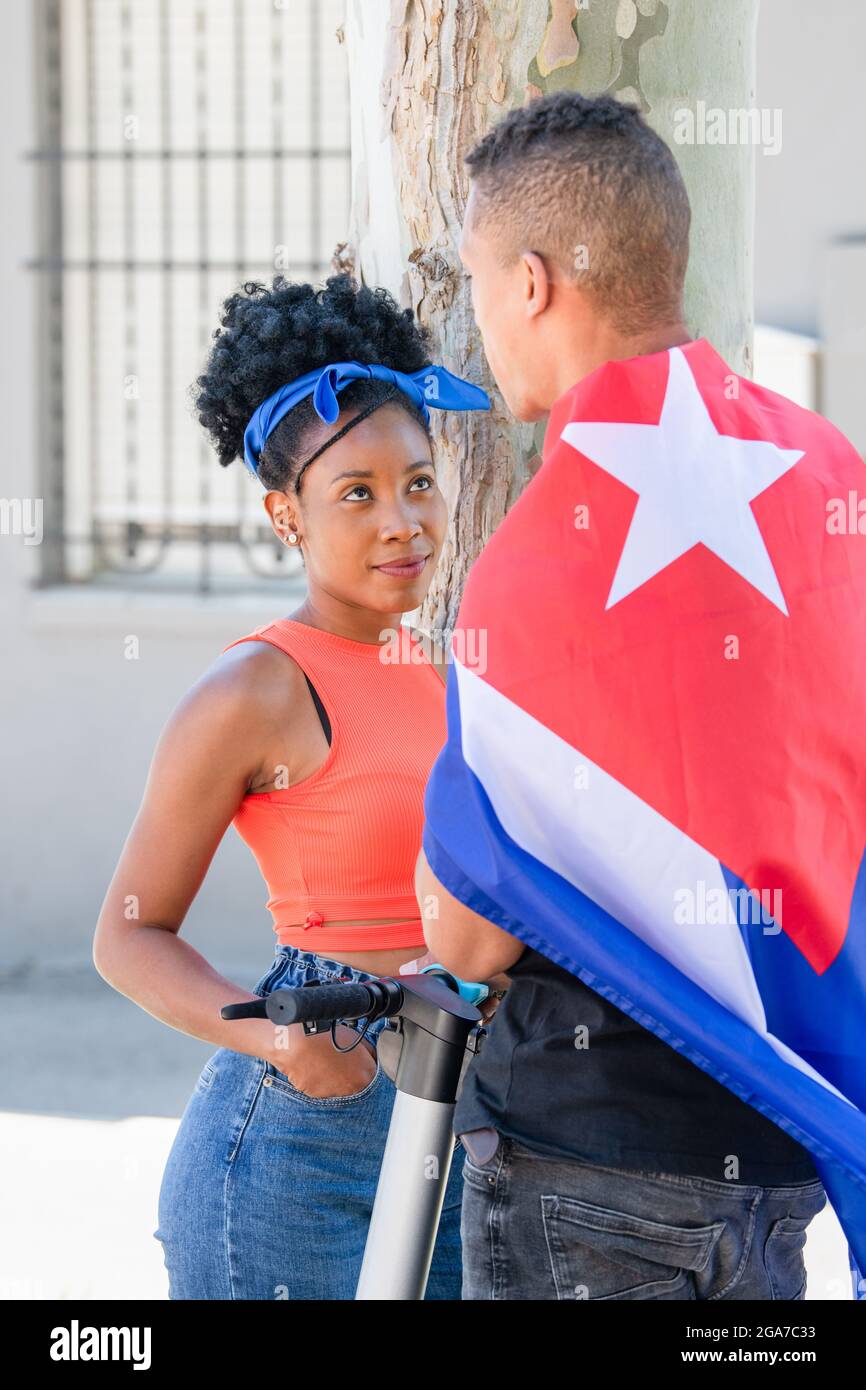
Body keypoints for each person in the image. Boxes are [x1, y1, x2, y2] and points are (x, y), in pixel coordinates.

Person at [416, 91, 828, 1301]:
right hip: (780, 1150)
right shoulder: (831, 479)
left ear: (532, 283)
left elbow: (470, 931)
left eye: (478, 281)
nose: (476, 316)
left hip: (586, 1157)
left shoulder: (531, 564)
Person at [92, 272, 490, 1299]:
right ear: (286, 515)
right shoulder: (257, 686)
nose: (400, 519)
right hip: (295, 1144)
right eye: (354, 492)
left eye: (415, 481)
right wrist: (281, 1039)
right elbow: (128, 933)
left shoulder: (440, 675)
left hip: (444, 1125)